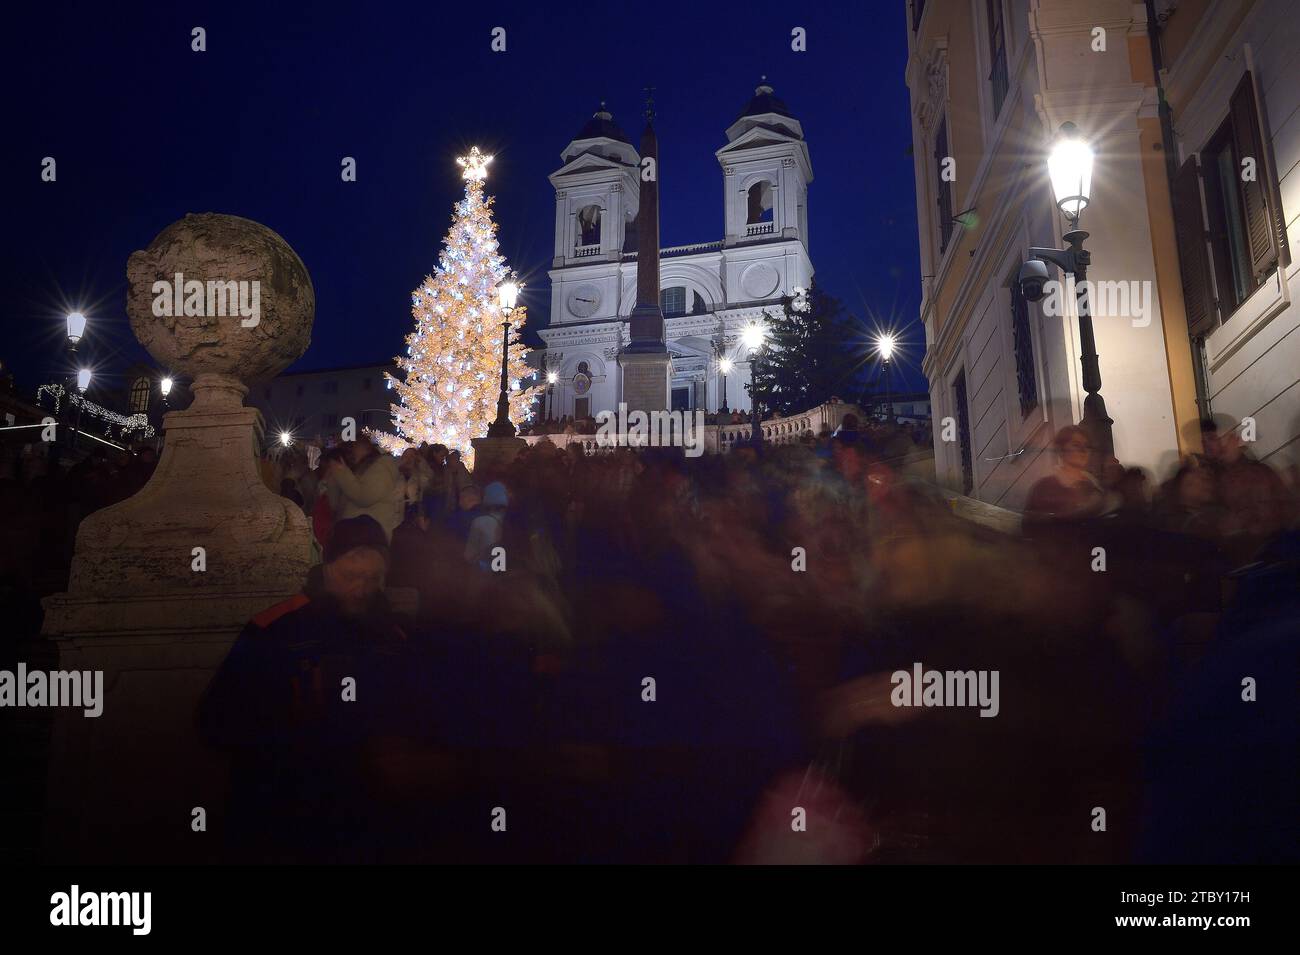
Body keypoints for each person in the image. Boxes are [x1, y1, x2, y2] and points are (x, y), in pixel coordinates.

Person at [196, 516, 434, 862]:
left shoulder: (395, 638)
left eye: (371, 579)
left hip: (370, 819)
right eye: (350, 576)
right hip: (288, 816)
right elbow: (217, 720)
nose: (359, 590)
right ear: (326, 569)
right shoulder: (276, 630)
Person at [1023, 425, 1119, 528]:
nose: (1083, 450)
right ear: (1061, 450)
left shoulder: (1096, 487)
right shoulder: (1044, 488)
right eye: (1076, 445)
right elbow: (1030, 528)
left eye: (1087, 446)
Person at [325, 436, 403, 540]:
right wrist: (334, 476)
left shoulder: (382, 466)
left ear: (366, 447)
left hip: (370, 537)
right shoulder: (357, 470)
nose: (351, 452)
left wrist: (341, 472)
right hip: (353, 534)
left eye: (354, 446)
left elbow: (364, 496)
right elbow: (335, 504)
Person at [465, 481, 508, 570]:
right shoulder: (512, 521)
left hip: (486, 576)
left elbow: (469, 556)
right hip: (512, 576)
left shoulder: (479, 522)